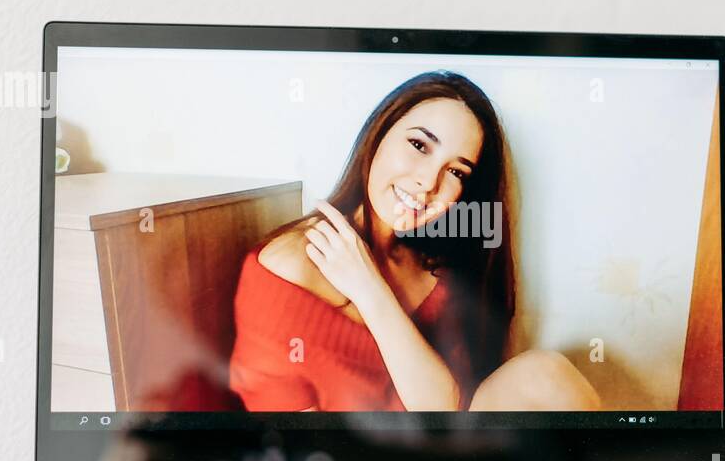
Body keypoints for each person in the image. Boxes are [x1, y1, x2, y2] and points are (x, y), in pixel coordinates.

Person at [229, 70, 599, 412]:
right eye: (420, 146)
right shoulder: (287, 269)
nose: (428, 182)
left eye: (456, 171)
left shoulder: (434, 265)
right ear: (378, 134)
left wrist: (369, 288)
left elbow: (445, 408)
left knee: (545, 373)